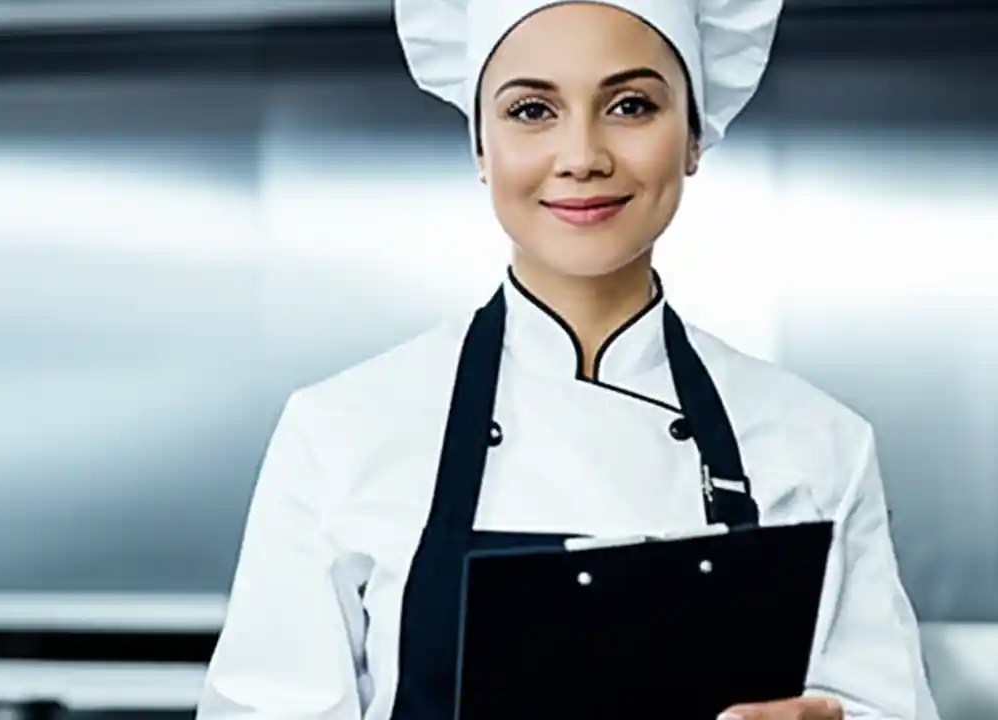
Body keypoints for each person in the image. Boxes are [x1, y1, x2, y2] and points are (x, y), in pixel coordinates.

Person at [197, 0, 940, 718]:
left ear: (694, 137)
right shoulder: (338, 432)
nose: (583, 157)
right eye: (531, 110)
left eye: (631, 106)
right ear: (480, 148)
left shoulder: (819, 444)